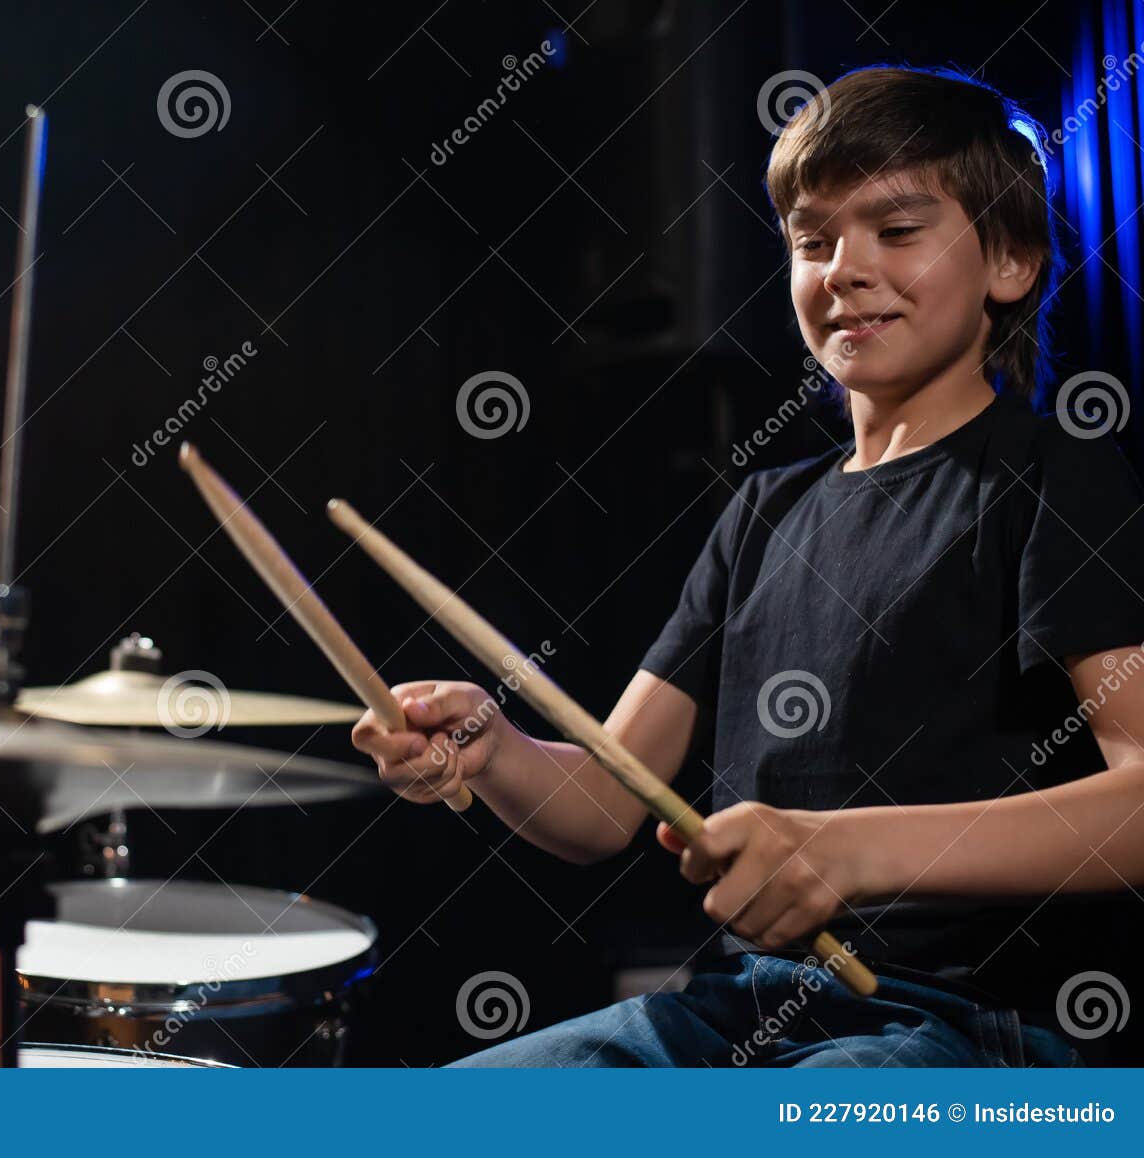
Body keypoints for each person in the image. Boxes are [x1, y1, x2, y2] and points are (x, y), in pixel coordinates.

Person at [352, 66, 1144, 1067]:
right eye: (812, 241)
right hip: (742, 1012)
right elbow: (609, 800)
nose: (844, 269)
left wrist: (849, 852)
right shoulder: (763, 511)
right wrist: (491, 745)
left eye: (897, 231)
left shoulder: (1050, 476)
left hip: (962, 1027)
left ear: (1011, 260)